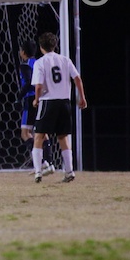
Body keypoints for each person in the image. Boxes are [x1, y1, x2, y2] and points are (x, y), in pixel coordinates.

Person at [31, 31, 87, 183]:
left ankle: (38, 172)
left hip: (48, 101)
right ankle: (69, 172)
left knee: (39, 136)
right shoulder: (65, 60)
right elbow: (77, 78)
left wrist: (36, 100)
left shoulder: (40, 62)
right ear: (55, 45)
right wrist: (82, 98)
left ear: (41, 47)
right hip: (64, 102)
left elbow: (38, 86)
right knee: (63, 137)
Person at [18, 39, 54, 176]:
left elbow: (28, 83)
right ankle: (49, 163)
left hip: (30, 100)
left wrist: (19, 98)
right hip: (42, 99)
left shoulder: (25, 65)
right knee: (42, 132)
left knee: (25, 133)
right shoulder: (40, 63)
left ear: (23, 52)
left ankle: (42, 162)